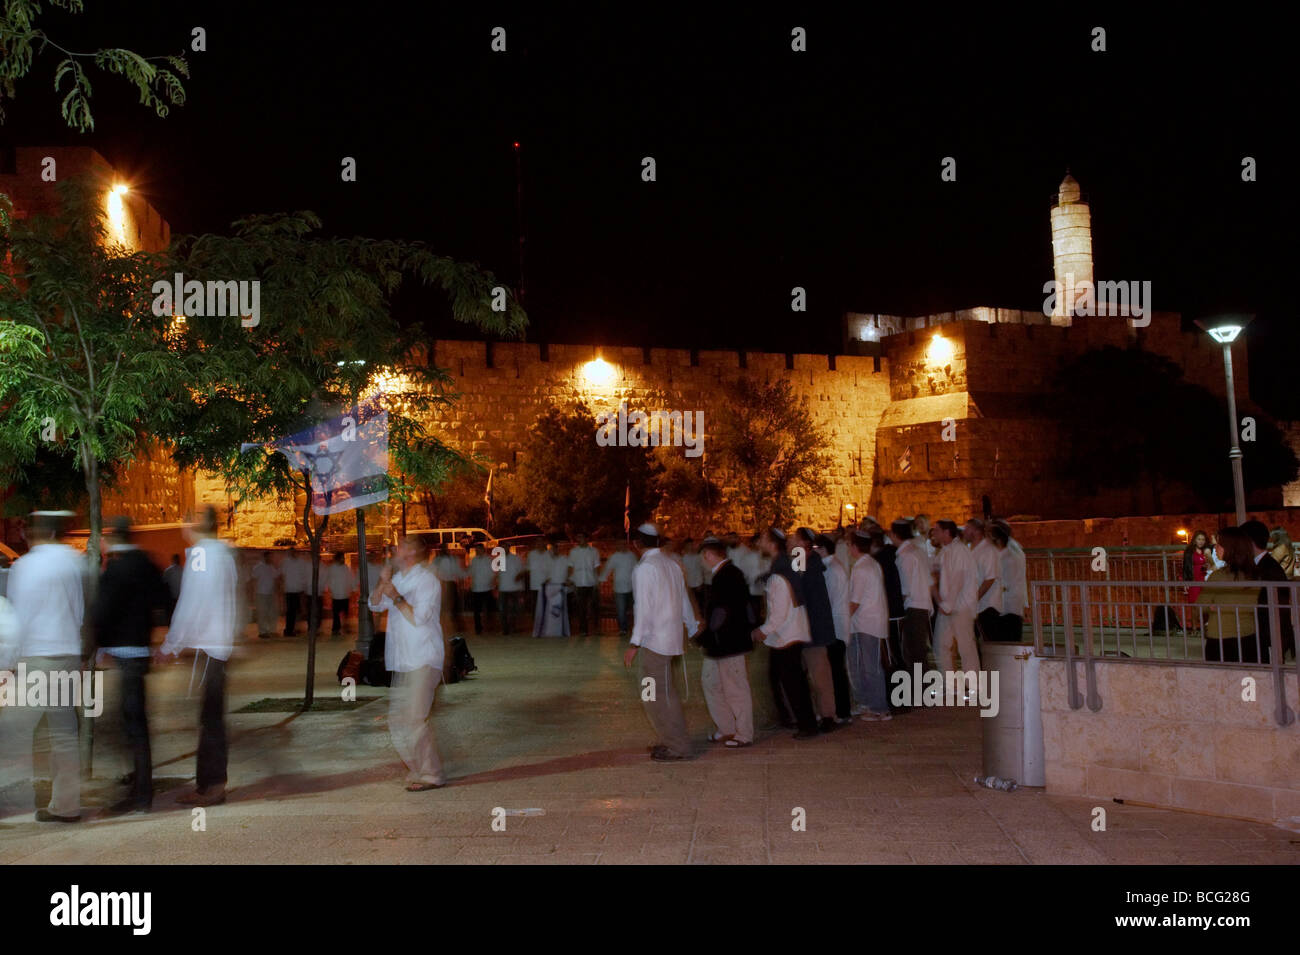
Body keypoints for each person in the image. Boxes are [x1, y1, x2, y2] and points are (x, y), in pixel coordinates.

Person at [3, 511, 85, 822]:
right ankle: (66, 806)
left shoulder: (24, 566)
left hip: (36, 657)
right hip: (66, 653)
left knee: (13, 730)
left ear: (35, 533)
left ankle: (13, 798)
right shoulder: (72, 562)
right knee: (64, 733)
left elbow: (18, 618)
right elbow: (78, 610)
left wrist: (8, 663)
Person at [162, 506, 238, 807]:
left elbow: (192, 603)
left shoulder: (201, 556)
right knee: (212, 718)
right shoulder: (222, 554)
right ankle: (210, 783)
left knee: (210, 720)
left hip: (210, 648)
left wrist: (171, 645)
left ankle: (211, 786)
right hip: (220, 645)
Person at [93, 517, 169, 814]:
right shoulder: (147, 564)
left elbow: (103, 610)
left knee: (130, 724)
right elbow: (163, 598)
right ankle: (140, 786)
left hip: (123, 651)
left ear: (113, 537)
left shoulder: (116, 568)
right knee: (135, 722)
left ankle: (140, 792)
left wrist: (99, 645)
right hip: (139, 648)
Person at [369, 534, 447, 790]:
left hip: (424, 656)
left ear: (412, 552)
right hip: (402, 660)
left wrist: (397, 596)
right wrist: (384, 584)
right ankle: (419, 767)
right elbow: (374, 604)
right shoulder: (399, 578)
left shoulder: (427, 581)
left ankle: (431, 774)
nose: (395, 548)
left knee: (414, 719)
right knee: (397, 721)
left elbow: (419, 619)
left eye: (401, 545)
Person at [623, 523, 699, 761]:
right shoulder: (672, 564)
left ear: (637, 544)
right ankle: (669, 739)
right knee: (659, 693)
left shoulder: (644, 568)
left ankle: (677, 745)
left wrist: (634, 644)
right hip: (669, 638)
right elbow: (684, 600)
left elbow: (643, 609)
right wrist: (692, 627)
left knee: (657, 695)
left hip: (654, 641)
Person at [753, 527, 819, 740]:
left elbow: (780, 611)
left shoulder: (780, 574)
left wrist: (762, 631)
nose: (758, 542)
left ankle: (806, 724)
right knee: (787, 680)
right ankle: (798, 720)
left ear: (772, 544)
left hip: (787, 635)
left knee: (793, 683)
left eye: (762, 538)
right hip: (787, 633)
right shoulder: (782, 567)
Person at [693, 537, 754, 747]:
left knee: (735, 688)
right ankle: (726, 728)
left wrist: (706, 635)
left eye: (702, 557)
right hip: (720, 645)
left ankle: (744, 733)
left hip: (729, 643)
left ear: (708, 555)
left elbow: (722, 612)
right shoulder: (724, 574)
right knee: (711, 683)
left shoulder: (727, 576)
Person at [794, 526, 848, 729]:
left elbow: (799, 591)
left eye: (794, 540)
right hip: (810, 626)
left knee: (820, 675)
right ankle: (823, 713)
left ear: (803, 544)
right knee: (816, 674)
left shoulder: (809, 563)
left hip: (813, 627)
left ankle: (828, 715)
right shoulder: (809, 562)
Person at [1196, 527, 1262, 663]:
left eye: (1220, 544)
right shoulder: (1256, 575)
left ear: (1231, 548)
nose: (1216, 547)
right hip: (1249, 635)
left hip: (1220, 636)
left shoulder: (1219, 576)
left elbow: (1199, 606)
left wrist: (1212, 607)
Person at [848, 530, 891, 720]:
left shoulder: (861, 568)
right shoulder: (871, 564)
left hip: (867, 623)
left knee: (870, 666)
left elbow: (854, 601)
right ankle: (866, 702)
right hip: (867, 622)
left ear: (855, 547)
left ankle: (879, 707)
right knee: (862, 665)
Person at [931, 519, 980, 682]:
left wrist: (945, 604)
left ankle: (972, 685)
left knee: (965, 647)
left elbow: (957, 580)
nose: (934, 534)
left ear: (946, 532)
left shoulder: (959, 551)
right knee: (941, 645)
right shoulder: (945, 551)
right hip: (948, 606)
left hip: (961, 606)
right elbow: (936, 569)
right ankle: (949, 684)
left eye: (937, 530)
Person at [1241, 519, 1293, 663]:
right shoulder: (1263, 565)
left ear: (1249, 542)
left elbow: (1274, 608)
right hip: (1266, 637)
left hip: (1268, 638)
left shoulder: (1268, 569)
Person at [814, 533, 854, 720]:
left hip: (836, 627)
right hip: (838, 624)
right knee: (838, 670)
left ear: (822, 549)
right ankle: (842, 710)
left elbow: (826, 599)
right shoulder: (834, 566)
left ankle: (842, 711)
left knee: (837, 670)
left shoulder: (831, 569)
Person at [891, 519, 933, 678]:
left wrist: (896, 607)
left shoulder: (906, 556)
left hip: (913, 606)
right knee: (919, 651)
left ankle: (921, 690)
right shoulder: (917, 551)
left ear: (895, 535)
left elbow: (905, 588)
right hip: (922, 603)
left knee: (914, 651)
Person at [964, 519, 1002, 644]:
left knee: (990, 645)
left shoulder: (988, 550)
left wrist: (974, 598)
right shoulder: (971, 550)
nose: (964, 531)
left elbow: (989, 578)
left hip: (987, 606)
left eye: (967, 529)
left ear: (975, 531)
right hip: (976, 607)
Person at [989, 520, 1027, 642]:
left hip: (1006, 604)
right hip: (1013, 602)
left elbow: (1002, 580)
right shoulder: (1015, 550)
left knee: (1006, 641)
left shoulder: (1007, 555)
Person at [599, 539, 638, 636]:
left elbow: (637, 569)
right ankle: (623, 629)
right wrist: (601, 580)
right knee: (621, 610)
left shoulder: (632, 556)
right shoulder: (614, 557)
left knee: (635, 609)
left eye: (624, 544)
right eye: (620, 544)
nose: (622, 546)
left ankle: (635, 628)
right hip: (619, 588)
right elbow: (607, 569)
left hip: (632, 587)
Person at [568, 532, 601, 636]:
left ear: (586, 538)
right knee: (581, 606)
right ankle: (583, 629)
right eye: (578, 537)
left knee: (593, 606)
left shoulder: (594, 551)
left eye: (581, 537)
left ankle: (596, 627)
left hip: (591, 581)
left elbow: (597, 566)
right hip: (578, 582)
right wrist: (570, 579)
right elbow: (570, 566)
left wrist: (598, 581)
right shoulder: (573, 552)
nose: (579, 539)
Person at [433, 543, 467, 631]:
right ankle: (441, 626)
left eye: (445, 548)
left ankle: (458, 626)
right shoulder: (437, 560)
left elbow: (458, 571)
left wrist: (463, 576)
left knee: (454, 606)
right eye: (442, 548)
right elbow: (433, 572)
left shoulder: (452, 559)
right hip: (441, 584)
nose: (444, 550)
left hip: (450, 584)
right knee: (441, 606)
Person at [467, 542, 496, 635]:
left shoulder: (489, 560)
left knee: (488, 609)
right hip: (476, 588)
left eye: (478, 550)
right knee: (477, 610)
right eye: (476, 550)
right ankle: (478, 628)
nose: (477, 551)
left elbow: (492, 573)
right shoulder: (474, 560)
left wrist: (492, 583)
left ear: (482, 550)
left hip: (487, 588)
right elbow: (471, 572)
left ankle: (489, 626)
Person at [249, 551, 280, 638]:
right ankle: (263, 631)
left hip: (271, 593)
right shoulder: (258, 567)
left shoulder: (272, 567)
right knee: (262, 613)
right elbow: (253, 580)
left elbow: (276, 578)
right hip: (261, 593)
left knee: (272, 613)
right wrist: (253, 593)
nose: (271, 559)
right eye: (270, 557)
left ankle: (272, 630)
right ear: (265, 557)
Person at [326, 551, 357, 636]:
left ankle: (342, 627)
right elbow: (329, 580)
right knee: (337, 613)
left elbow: (350, 578)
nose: (343, 559)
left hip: (343, 593)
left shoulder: (345, 568)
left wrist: (353, 589)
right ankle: (337, 628)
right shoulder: (333, 568)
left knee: (344, 612)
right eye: (342, 558)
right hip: (337, 594)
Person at [281, 546, 309, 636]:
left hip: (298, 590)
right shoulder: (286, 562)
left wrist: (304, 587)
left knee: (298, 610)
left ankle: (296, 628)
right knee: (290, 611)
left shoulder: (301, 562)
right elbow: (282, 575)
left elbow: (304, 575)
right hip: (289, 590)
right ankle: (289, 629)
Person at [498, 545, 525, 635]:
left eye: (505, 547)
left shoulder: (516, 558)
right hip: (503, 588)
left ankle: (513, 628)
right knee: (503, 610)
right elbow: (498, 574)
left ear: (508, 548)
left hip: (514, 588)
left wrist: (518, 578)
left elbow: (522, 571)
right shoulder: (498, 559)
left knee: (514, 609)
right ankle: (505, 629)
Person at [1182, 530, 1210, 604]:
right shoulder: (1189, 551)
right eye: (1199, 539)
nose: (1201, 541)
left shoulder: (1207, 550)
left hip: (1206, 579)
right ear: (1195, 540)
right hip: (1194, 580)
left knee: (1206, 602)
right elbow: (1186, 567)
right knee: (1195, 602)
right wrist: (1185, 582)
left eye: (1203, 539)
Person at [162, 553, 183, 618]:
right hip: (181, 597)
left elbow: (164, 583)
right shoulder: (183, 570)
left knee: (172, 614)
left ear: (173, 560)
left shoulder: (168, 571)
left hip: (171, 597)